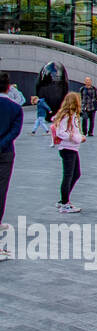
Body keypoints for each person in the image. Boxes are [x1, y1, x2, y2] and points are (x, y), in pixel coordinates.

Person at [50, 92, 85, 214]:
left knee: (76, 173)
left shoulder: (71, 115)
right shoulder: (67, 116)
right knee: (68, 175)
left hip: (71, 148)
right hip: (68, 148)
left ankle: (64, 200)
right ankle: (64, 203)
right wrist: (77, 137)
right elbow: (61, 132)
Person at [0, 73, 22, 260]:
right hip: (5, 153)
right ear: (9, 87)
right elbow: (15, 131)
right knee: (1, 191)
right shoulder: (15, 108)